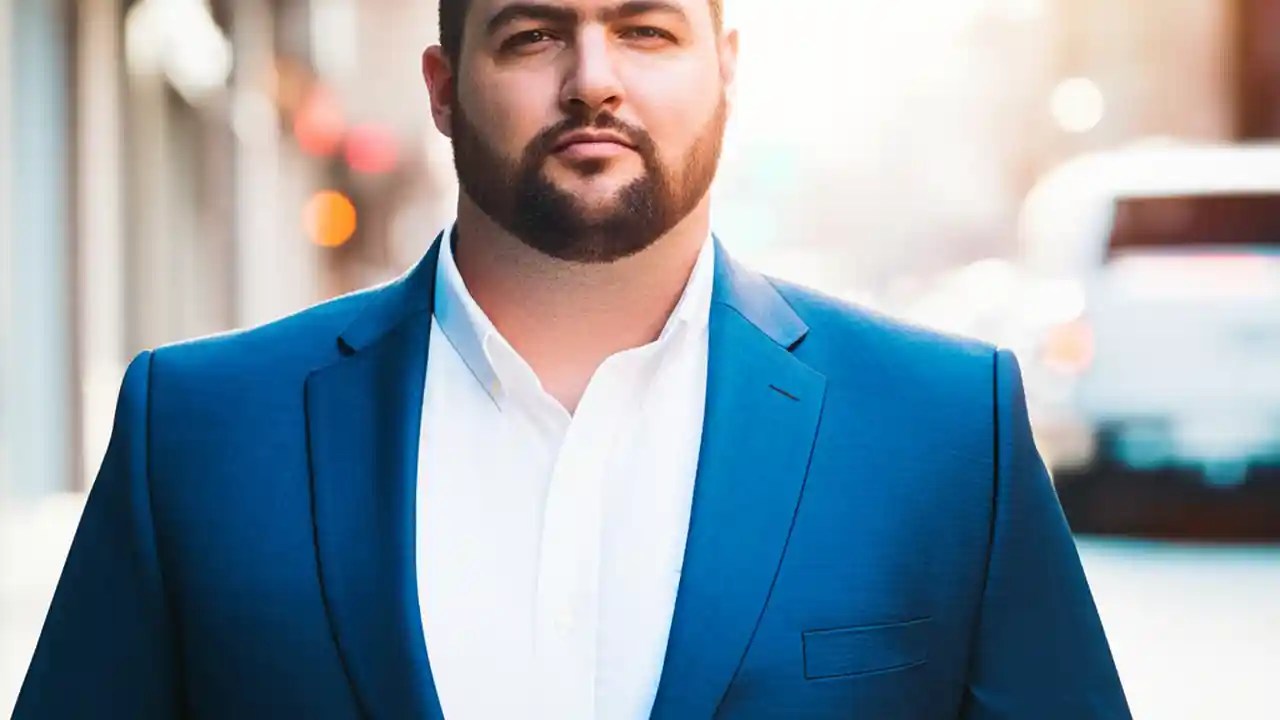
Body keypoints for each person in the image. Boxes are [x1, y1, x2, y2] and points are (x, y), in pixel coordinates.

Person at [16, 0, 1131, 717]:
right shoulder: (198, 430)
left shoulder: (944, 432)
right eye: (533, 33)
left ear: (727, 71)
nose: (592, 77)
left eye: (644, 29)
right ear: (443, 88)